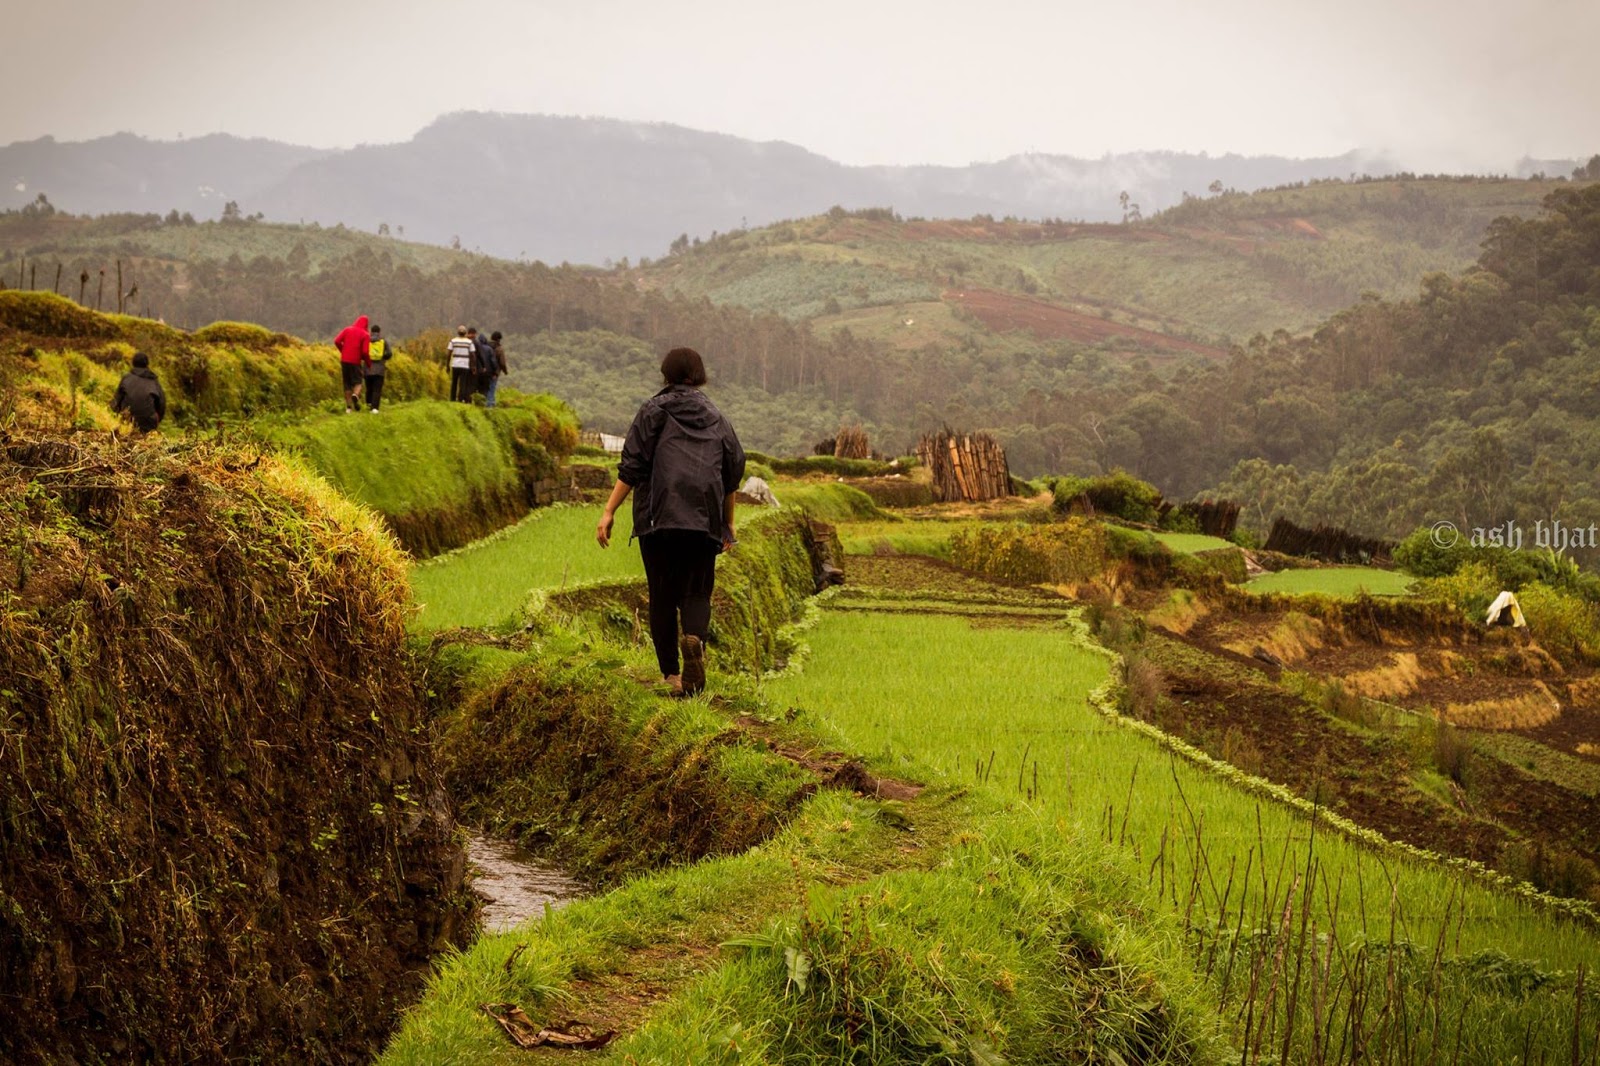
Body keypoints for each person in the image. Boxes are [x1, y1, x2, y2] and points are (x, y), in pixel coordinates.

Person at [596, 347, 744, 697]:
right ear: (700, 376)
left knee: (662, 594)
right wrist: (728, 523)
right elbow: (732, 473)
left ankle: (673, 675)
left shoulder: (653, 410)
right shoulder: (718, 418)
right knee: (697, 592)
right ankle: (693, 639)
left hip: (658, 518)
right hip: (703, 520)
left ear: (666, 374)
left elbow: (632, 466)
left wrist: (609, 511)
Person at [112, 352, 166, 433]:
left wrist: (116, 415)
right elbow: (161, 404)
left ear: (133, 363)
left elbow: (116, 401)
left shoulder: (126, 378)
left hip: (127, 420)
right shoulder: (153, 381)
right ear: (147, 364)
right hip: (148, 423)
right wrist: (158, 419)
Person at [334, 314, 371, 412]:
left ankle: (348, 408)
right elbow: (365, 352)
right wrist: (368, 363)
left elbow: (337, 341)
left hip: (344, 360)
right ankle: (355, 395)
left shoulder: (347, 330)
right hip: (355, 361)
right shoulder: (365, 334)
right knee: (358, 382)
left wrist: (343, 351)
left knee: (347, 384)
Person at [364, 323, 390, 412]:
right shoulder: (383, 341)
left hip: (368, 369)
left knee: (369, 388)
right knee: (377, 389)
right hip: (379, 370)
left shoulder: (366, 340)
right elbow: (389, 353)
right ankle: (374, 408)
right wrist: (383, 357)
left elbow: (363, 352)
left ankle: (368, 405)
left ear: (371, 332)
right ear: (379, 332)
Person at [447, 326, 476, 402]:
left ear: (458, 332)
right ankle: (460, 399)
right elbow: (473, 355)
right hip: (465, 365)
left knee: (454, 382)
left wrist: (447, 365)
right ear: (465, 333)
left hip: (455, 365)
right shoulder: (469, 342)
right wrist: (473, 366)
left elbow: (448, 354)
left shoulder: (453, 341)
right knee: (462, 383)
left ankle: (452, 398)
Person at [483, 330, 507, 409]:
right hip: (494, 372)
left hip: (484, 370)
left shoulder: (485, 346)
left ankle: (484, 403)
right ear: (499, 339)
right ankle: (490, 405)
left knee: (485, 387)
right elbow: (502, 362)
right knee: (492, 387)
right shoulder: (499, 349)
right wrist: (505, 371)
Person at [472, 327, 495, 402]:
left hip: (477, 371)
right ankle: (483, 402)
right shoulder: (489, 349)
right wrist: (494, 372)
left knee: (476, 387)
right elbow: (493, 361)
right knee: (485, 388)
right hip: (487, 372)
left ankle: (476, 402)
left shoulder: (475, 347)